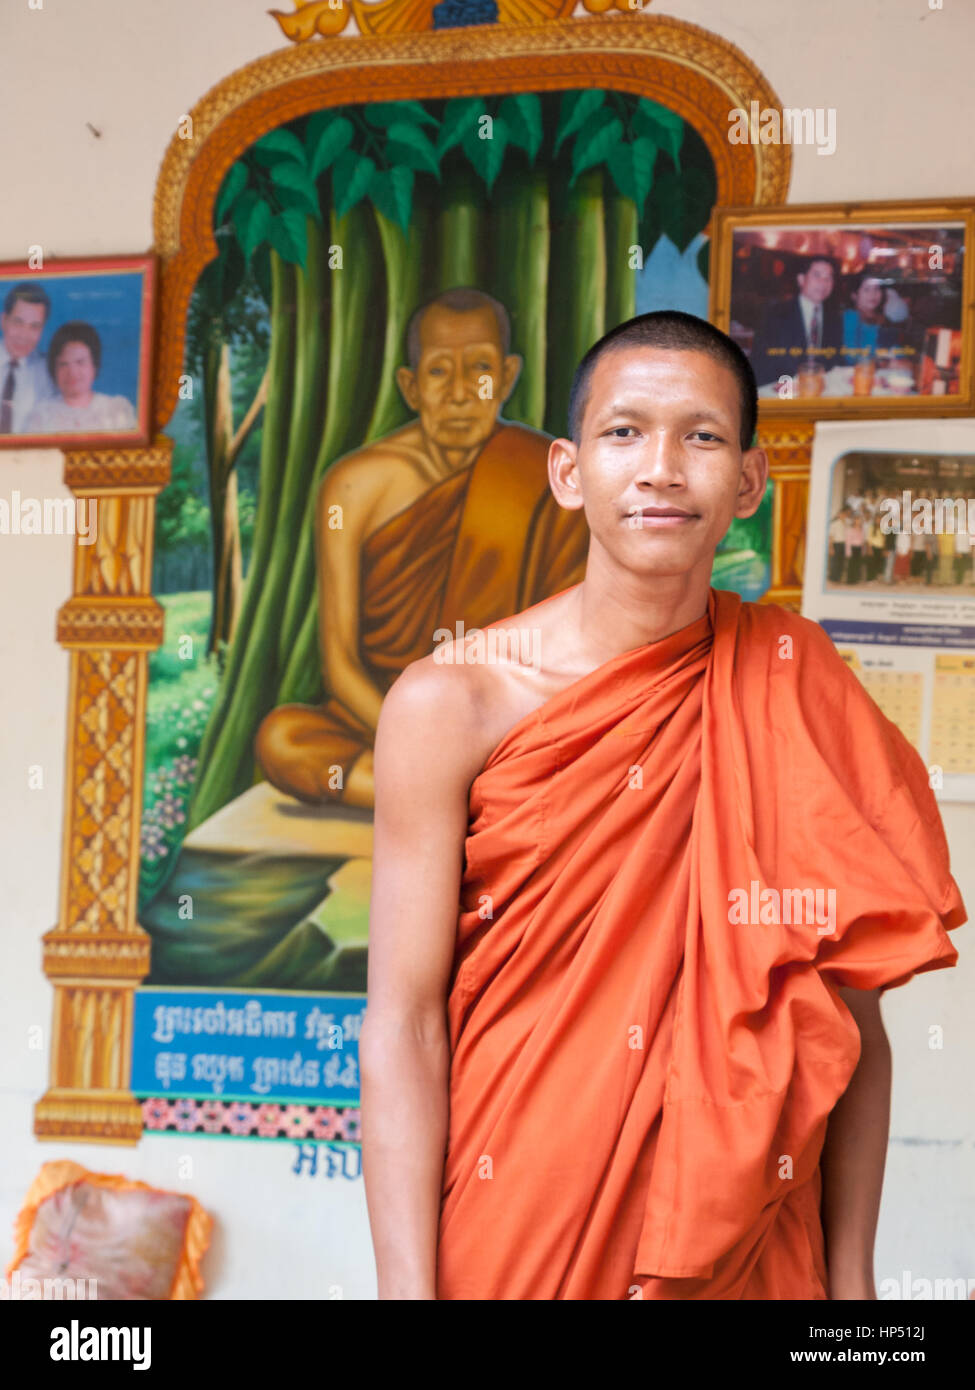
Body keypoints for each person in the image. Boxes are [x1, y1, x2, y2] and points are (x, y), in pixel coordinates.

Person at [361, 310, 965, 1301]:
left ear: (748, 480)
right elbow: (404, 1023)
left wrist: (852, 1288)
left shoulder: (794, 681)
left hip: (750, 1238)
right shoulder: (451, 703)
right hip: (515, 1222)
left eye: (703, 435)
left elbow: (852, 1022)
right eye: (625, 431)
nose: (662, 467)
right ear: (568, 471)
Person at [255, 288, 588, 809]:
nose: (459, 392)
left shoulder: (548, 480)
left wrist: (485, 738)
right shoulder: (352, 487)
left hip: (503, 720)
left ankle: (437, 794)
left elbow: (570, 653)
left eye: (478, 368)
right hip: (381, 716)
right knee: (283, 740)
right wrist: (417, 736)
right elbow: (340, 664)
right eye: (438, 372)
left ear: (506, 376)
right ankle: (463, 799)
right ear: (410, 387)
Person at [23, 321, 137, 433]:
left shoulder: (116, 410)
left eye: (80, 362)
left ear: (94, 365)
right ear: (54, 369)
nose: (72, 372)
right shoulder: (41, 416)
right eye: (63, 364)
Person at [750, 255, 843, 389]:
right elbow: (761, 361)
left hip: (819, 390)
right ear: (801, 279)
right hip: (781, 390)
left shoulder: (833, 318)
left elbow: (834, 359)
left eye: (829, 278)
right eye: (817, 275)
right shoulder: (776, 314)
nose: (824, 283)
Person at [0, 283, 55, 433]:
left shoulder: (49, 373)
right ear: (4, 320)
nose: (24, 335)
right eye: (18, 322)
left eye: (34, 326)